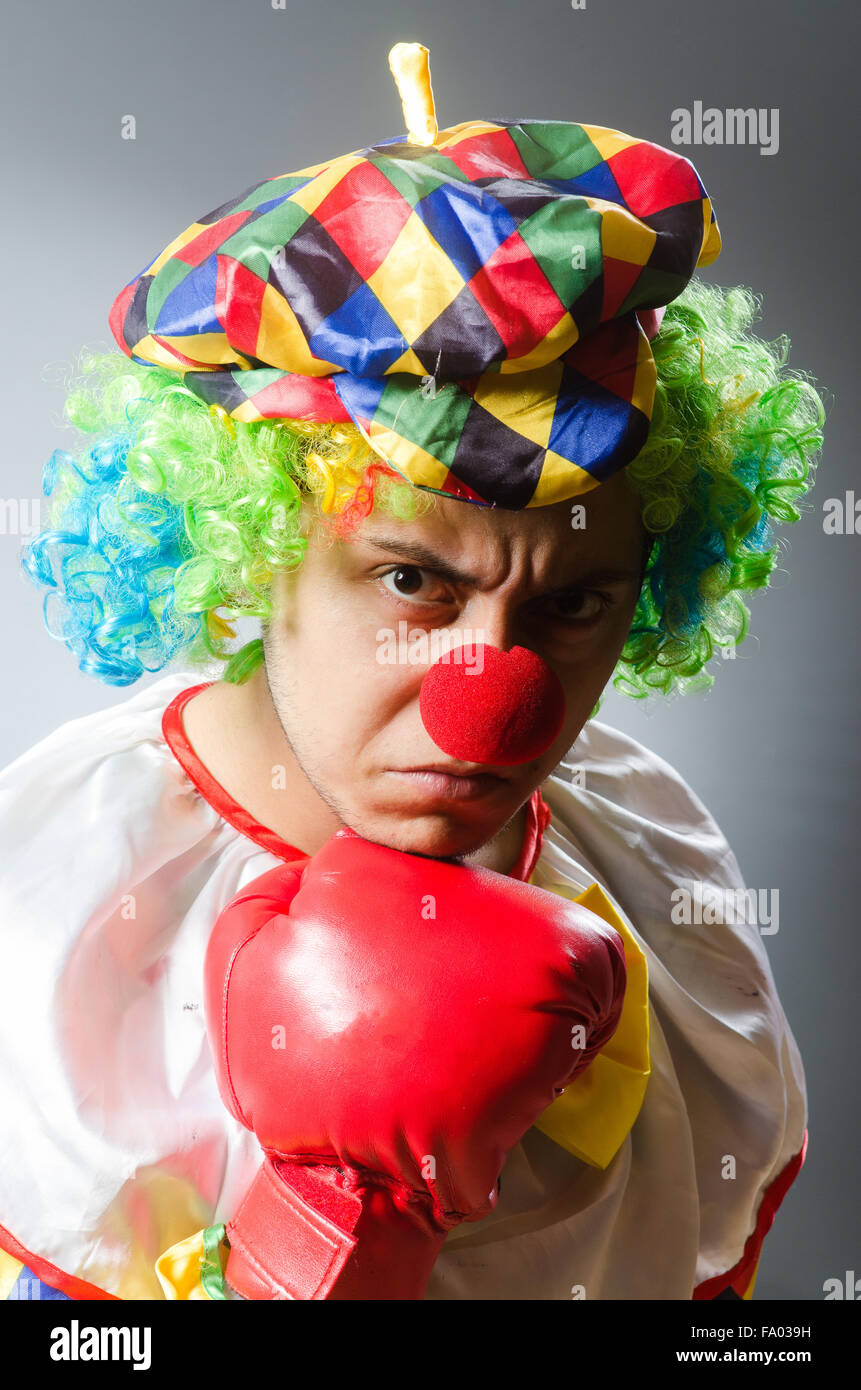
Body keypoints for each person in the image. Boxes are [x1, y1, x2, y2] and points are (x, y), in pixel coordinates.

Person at [0, 43, 823, 1301]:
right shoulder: (48, 892)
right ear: (256, 543)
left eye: (574, 601)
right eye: (411, 582)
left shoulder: (653, 864)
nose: (495, 695)